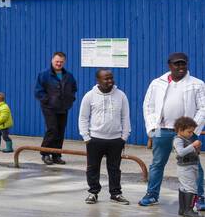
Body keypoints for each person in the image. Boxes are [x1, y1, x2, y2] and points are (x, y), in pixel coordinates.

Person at [140, 52, 205, 207]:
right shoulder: (157, 83)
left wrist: (192, 130)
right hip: (163, 130)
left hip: (186, 134)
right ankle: (152, 195)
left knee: (194, 165)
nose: (181, 67)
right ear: (169, 65)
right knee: (157, 164)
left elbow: (203, 108)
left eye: (183, 63)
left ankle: (200, 197)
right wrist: (152, 128)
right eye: (177, 64)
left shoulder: (197, 84)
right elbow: (148, 106)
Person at [77, 69, 131, 205]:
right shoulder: (89, 96)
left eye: (111, 78)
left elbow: (125, 117)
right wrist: (86, 137)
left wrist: (124, 137)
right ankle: (93, 192)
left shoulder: (121, 95)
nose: (110, 81)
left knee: (114, 168)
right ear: (98, 80)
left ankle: (116, 193)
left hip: (115, 140)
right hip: (95, 139)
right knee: (93, 168)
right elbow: (83, 118)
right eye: (106, 79)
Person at [33, 51, 77, 164]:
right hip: (49, 108)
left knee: (60, 131)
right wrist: (46, 100)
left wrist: (71, 99)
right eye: (57, 61)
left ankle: (56, 155)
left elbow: (73, 88)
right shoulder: (44, 74)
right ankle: (45, 153)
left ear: (64, 62)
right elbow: (38, 91)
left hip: (63, 107)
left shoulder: (68, 75)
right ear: (52, 60)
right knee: (52, 130)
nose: (59, 64)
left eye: (61, 62)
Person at [172, 116, 203, 217]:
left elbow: (191, 151)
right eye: (189, 132)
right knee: (191, 188)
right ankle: (189, 210)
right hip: (186, 168)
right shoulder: (178, 140)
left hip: (190, 166)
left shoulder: (186, 139)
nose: (191, 134)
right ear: (180, 130)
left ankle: (183, 209)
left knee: (184, 187)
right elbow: (180, 152)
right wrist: (193, 145)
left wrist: (196, 149)